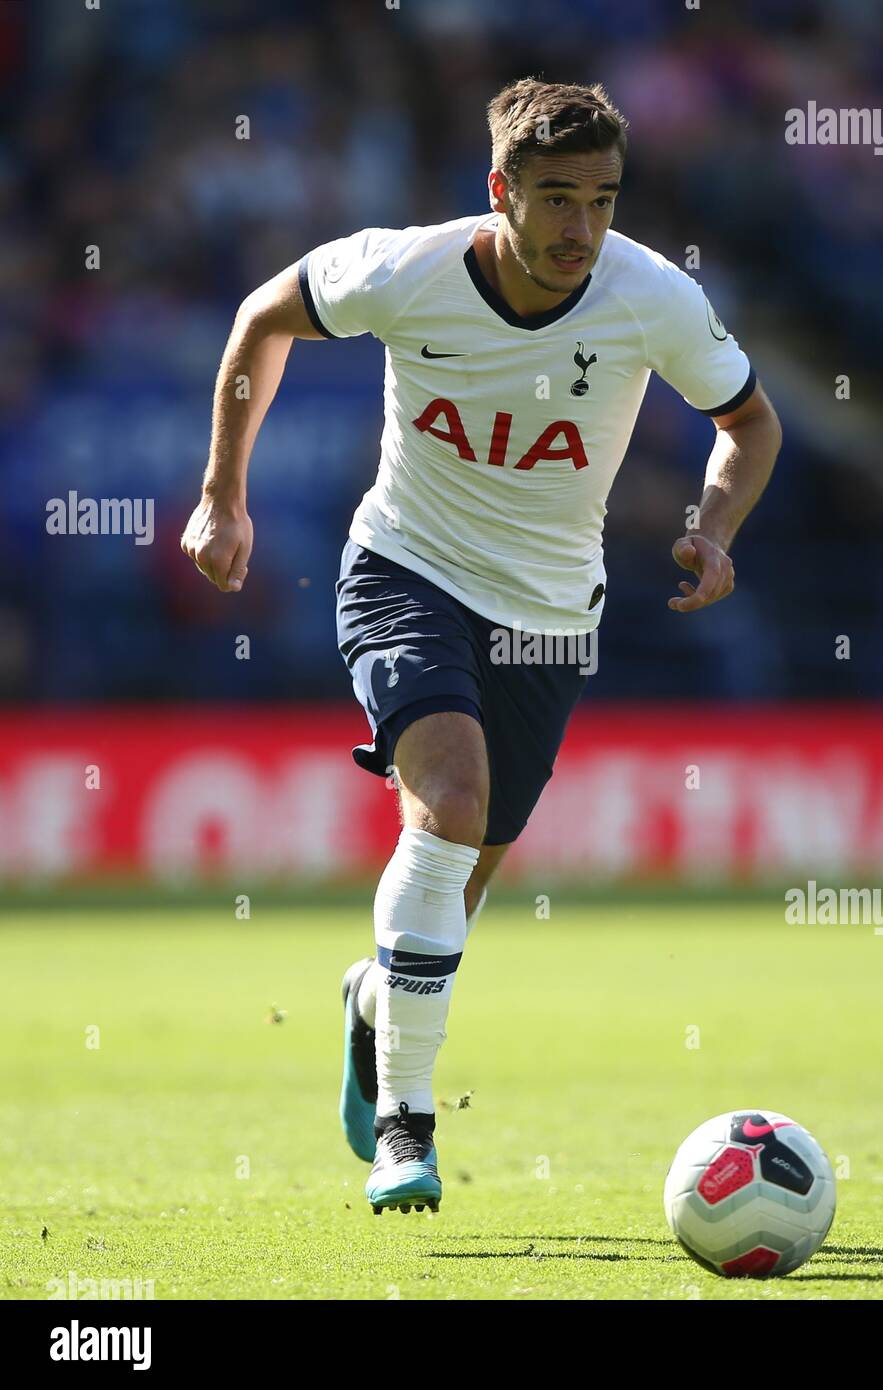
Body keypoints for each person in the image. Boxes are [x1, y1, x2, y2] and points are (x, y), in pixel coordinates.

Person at [180, 77, 781, 1215]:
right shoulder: (406, 270)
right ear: (498, 190)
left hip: (551, 617)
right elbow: (264, 315)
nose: (580, 229)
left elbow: (748, 421)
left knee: (455, 888)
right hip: (406, 569)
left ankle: (372, 1003)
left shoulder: (649, 294)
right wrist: (223, 496)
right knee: (448, 806)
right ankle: (405, 1129)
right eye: (555, 199)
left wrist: (712, 525)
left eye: (601, 200)